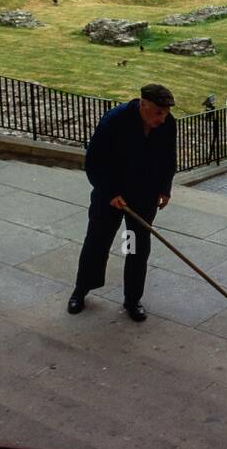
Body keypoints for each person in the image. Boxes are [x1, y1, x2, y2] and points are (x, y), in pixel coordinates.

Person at [68, 84, 176, 321]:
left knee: (136, 246)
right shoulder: (114, 120)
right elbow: (94, 161)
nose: (163, 118)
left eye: (166, 112)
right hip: (111, 194)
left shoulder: (168, 124)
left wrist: (164, 188)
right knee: (98, 242)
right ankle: (81, 290)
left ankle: (132, 299)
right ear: (143, 104)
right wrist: (110, 192)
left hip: (144, 195)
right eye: (158, 112)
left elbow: (168, 158)